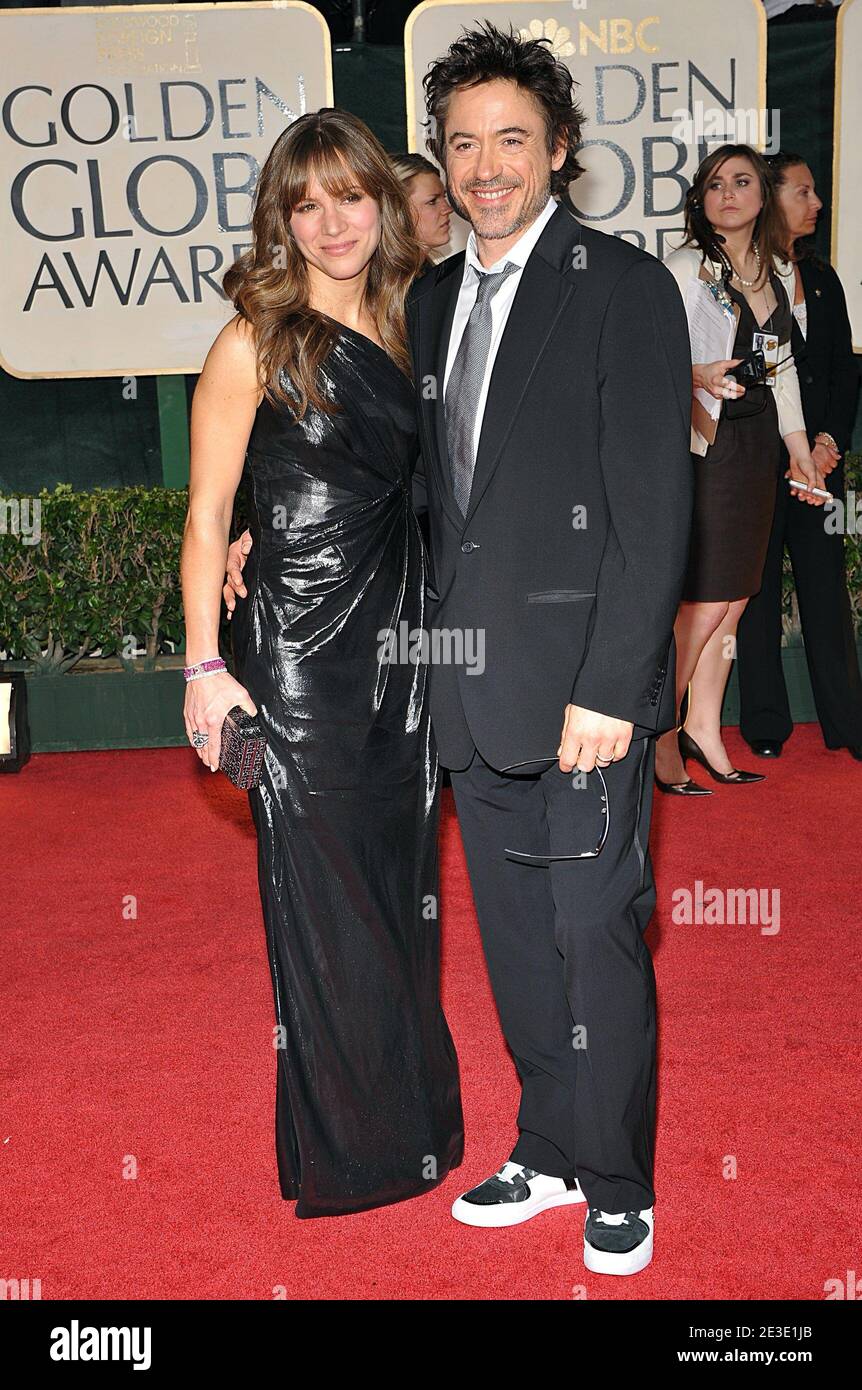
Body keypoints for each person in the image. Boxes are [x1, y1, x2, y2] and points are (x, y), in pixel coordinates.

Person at [230, 22, 693, 1274]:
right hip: (463, 693)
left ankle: (614, 1176)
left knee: (592, 933)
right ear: (438, 157)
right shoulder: (422, 302)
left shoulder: (625, 286)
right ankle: (546, 1143)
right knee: (509, 942)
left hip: (584, 696)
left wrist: (614, 688)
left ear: (559, 152)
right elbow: (399, 496)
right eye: (464, 143)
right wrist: (246, 543)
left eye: (512, 141)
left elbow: (655, 512)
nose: (487, 166)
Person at [180, 108, 464, 1218]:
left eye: (351, 194)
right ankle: (353, 1155)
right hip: (296, 657)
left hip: (408, 651)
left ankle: (418, 1129)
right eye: (308, 202)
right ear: (282, 219)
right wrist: (205, 668)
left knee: (404, 897)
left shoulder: (418, 322)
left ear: (383, 204)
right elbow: (206, 515)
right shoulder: (256, 335)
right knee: (325, 902)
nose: (333, 220)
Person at [659, 145, 827, 795]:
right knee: (701, 604)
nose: (728, 194)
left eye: (742, 182)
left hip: (758, 446)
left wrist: (798, 449)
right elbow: (649, 360)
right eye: (714, 185)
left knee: (733, 600)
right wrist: (693, 376)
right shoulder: (683, 268)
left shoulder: (779, 271)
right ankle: (659, 733)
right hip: (707, 447)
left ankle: (704, 726)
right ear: (700, 200)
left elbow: (782, 372)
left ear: (763, 195)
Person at [736, 151, 862, 761]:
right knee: (756, 595)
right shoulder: (736, 276)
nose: (816, 204)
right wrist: (787, 451)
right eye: (804, 192)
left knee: (824, 589)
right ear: (769, 199)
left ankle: (846, 721)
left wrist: (827, 442)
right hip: (759, 464)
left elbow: (844, 371)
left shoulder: (825, 278)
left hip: (819, 463)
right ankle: (764, 724)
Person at [390, 153, 452, 266]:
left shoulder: (430, 274)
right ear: (397, 209)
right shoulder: (378, 281)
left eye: (444, 196)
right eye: (432, 201)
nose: (448, 209)